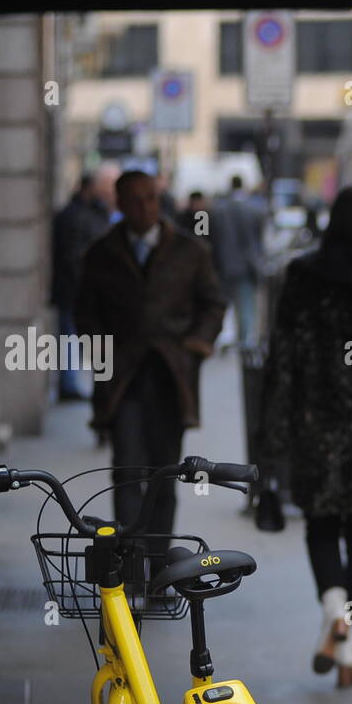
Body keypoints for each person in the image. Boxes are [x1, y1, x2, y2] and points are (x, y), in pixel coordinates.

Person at [259, 187, 352, 688]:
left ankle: (335, 610)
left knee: (320, 526)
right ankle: (351, 645)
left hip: (314, 422)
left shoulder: (303, 276)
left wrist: (268, 445)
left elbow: (282, 358)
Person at [76, 170, 227, 538]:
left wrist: (197, 344)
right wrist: (101, 354)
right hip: (123, 378)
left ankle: (158, 567)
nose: (145, 207)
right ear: (120, 204)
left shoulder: (191, 252)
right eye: (135, 200)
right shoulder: (101, 254)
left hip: (171, 377)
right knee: (126, 471)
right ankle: (129, 564)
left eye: (151, 198)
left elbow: (213, 304)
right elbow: (85, 313)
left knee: (165, 473)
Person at [50, 173, 110, 400]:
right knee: (71, 336)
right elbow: (72, 256)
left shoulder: (90, 213)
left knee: (77, 337)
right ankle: (69, 385)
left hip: (80, 288)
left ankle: (74, 383)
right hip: (74, 290)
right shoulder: (76, 216)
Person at [211, 174, 267, 353]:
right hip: (246, 265)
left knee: (224, 306)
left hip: (223, 265)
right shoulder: (255, 209)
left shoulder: (218, 210)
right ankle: (244, 342)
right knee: (246, 307)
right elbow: (259, 239)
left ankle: (224, 338)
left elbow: (213, 238)